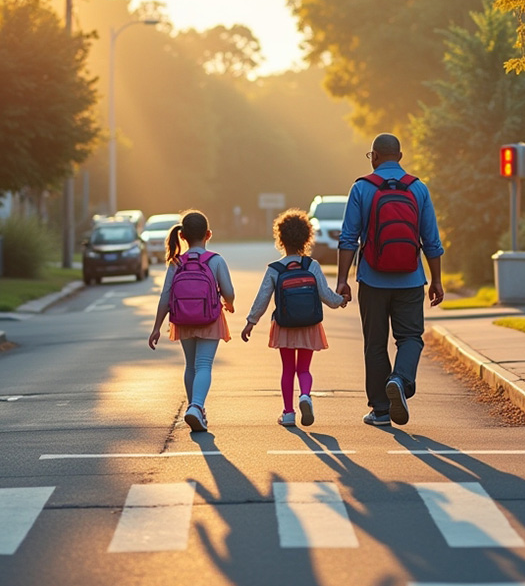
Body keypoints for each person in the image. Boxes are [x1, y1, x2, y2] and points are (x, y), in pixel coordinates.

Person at [336, 133, 444, 427]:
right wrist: (436, 279)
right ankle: (400, 378)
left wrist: (343, 280)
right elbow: (431, 240)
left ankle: (381, 410)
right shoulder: (418, 188)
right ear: (400, 156)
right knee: (410, 337)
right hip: (410, 279)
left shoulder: (362, 188)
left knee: (375, 343)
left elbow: (348, 239)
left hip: (372, 279)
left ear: (374, 156)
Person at [241, 209, 348, 427]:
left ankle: (288, 413)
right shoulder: (312, 265)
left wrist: (251, 322)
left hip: (285, 325)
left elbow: (262, 298)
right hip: (309, 324)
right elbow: (325, 295)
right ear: (307, 237)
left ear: (280, 239)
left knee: (288, 369)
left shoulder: (275, 269)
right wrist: (340, 300)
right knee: (304, 369)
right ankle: (306, 395)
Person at [148, 210, 236, 432]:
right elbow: (229, 292)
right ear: (208, 234)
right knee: (204, 364)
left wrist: (157, 327)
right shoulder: (215, 260)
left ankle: (194, 408)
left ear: (183, 236)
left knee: (190, 365)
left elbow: (165, 297)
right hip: (210, 319)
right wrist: (229, 303)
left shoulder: (176, 262)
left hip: (183, 319)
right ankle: (196, 407)